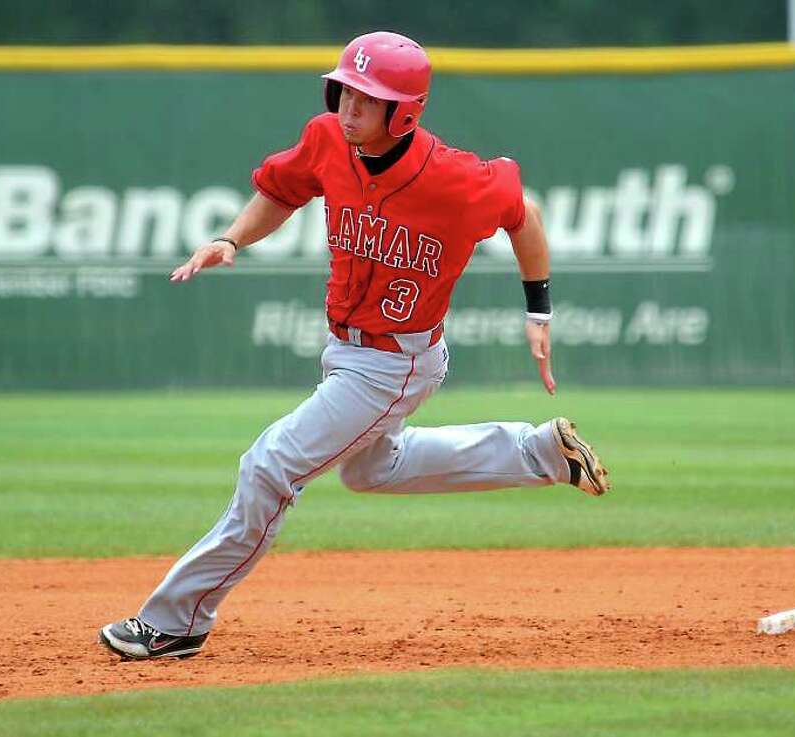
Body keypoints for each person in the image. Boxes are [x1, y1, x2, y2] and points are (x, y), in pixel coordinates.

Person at [99, 31, 610, 660]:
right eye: (343, 91)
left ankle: (178, 619)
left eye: (366, 100)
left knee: (269, 464)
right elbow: (281, 189)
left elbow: (524, 214)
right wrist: (232, 239)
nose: (347, 109)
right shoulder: (327, 141)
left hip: (393, 363)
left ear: (404, 113)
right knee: (372, 470)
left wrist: (539, 307)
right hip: (350, 353)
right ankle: (539, 453)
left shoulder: (453, 177)